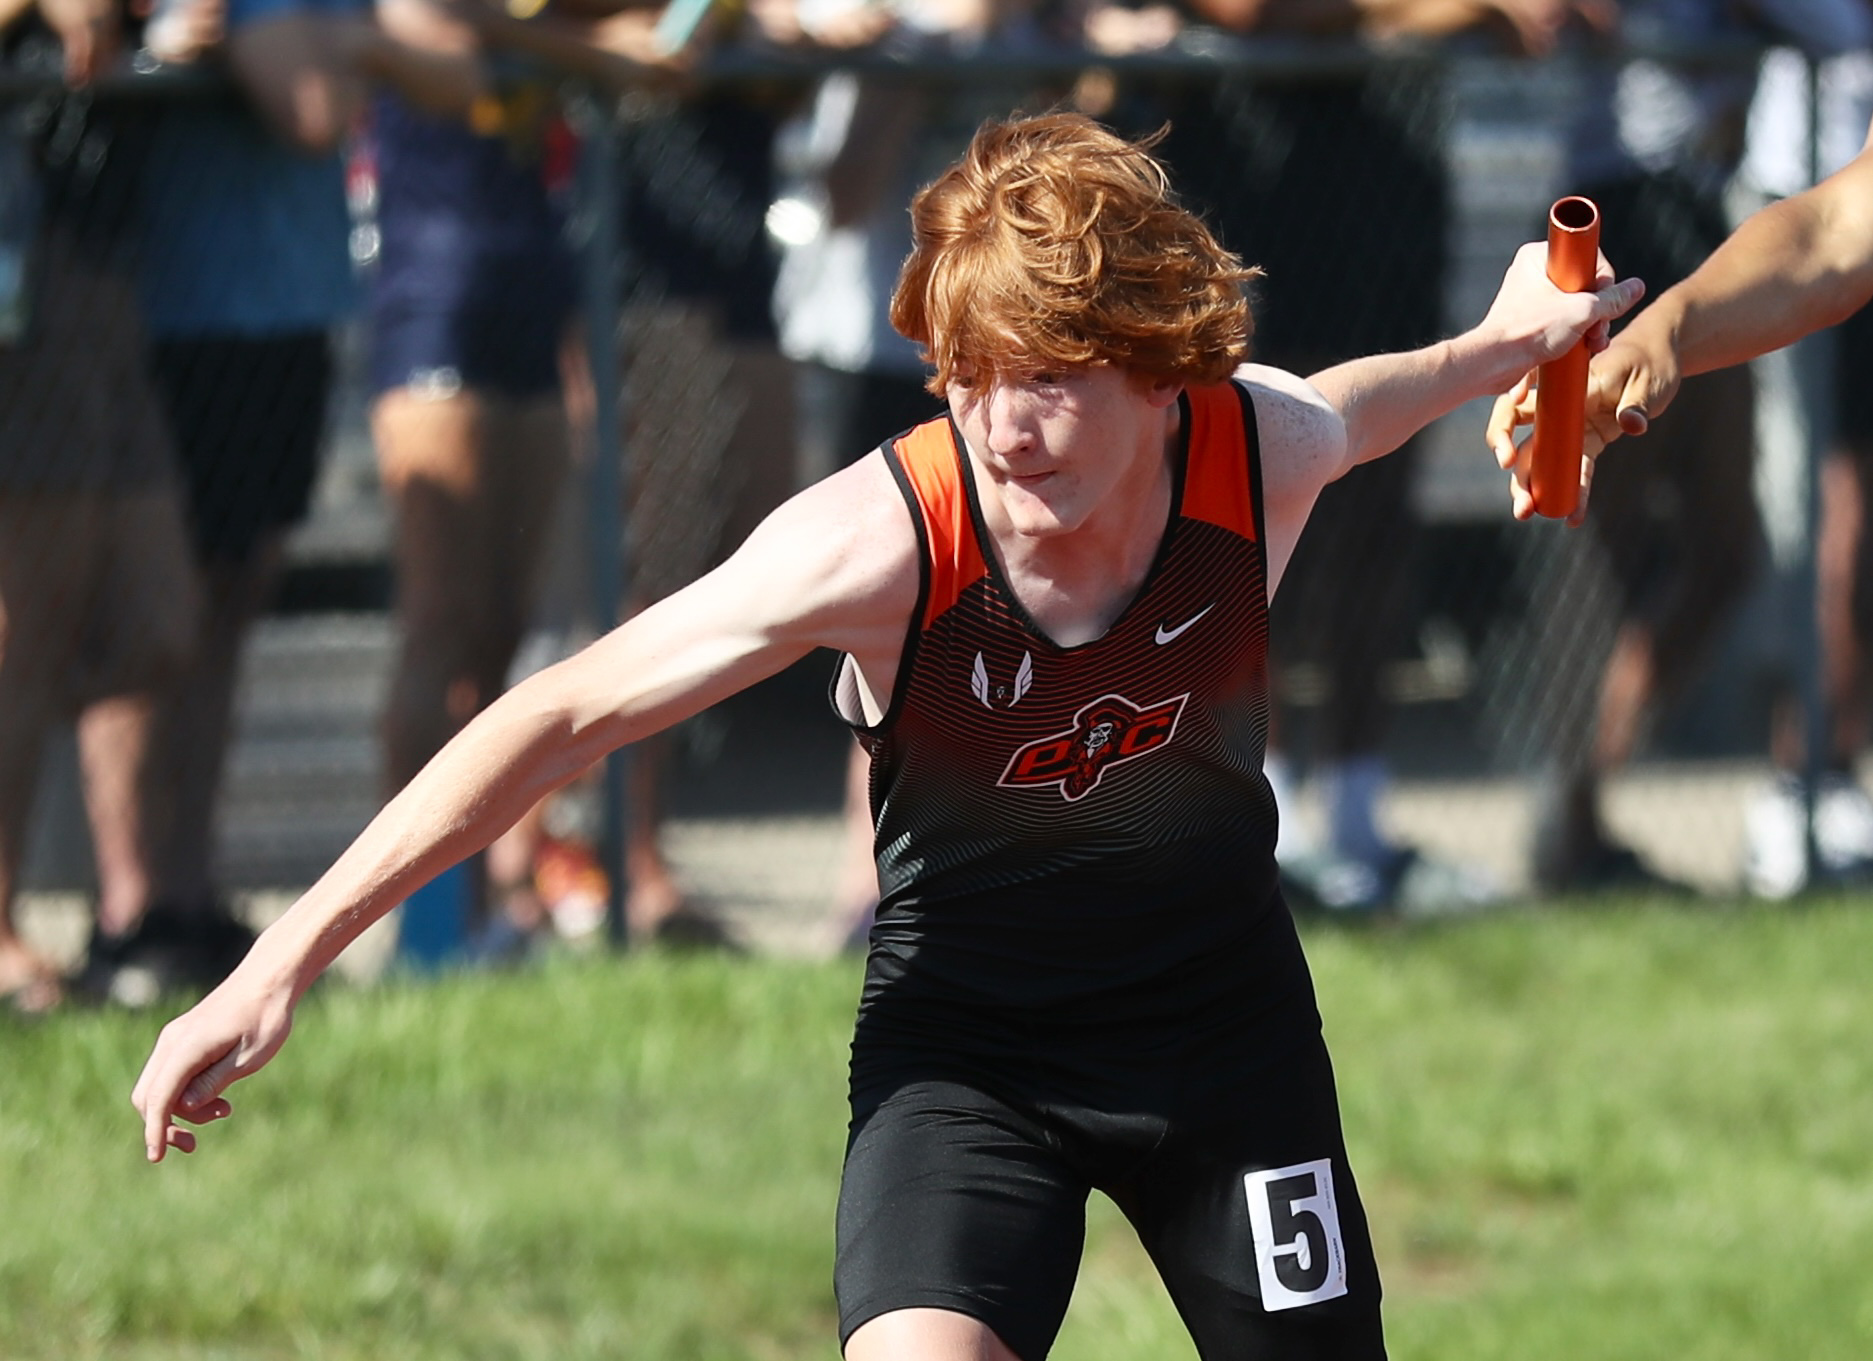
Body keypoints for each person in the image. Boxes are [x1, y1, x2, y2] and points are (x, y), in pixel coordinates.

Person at [134, 114, 1638, 1359]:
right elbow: (559, 713)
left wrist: (1513, 340)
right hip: (969, 1058)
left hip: (1221, 1044)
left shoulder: (1260, 451)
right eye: (970, 376)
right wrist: (280, 961)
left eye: (1049, 377)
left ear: (1160, 363)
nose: (1005, 426)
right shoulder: (882, 542)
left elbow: (1374, 400)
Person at [1491, 101, 1873, 888]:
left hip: (1680, 205)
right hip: (1648, 216)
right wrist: (1661, 328)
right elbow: (1832, 230)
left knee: (1718, 556)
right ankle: (1573, 812)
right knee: (1619, 563)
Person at [0, 0, 199, 1011]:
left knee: (158, 624)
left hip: (107, 280)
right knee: (20, 638)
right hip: (20, 289)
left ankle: (127, 910)